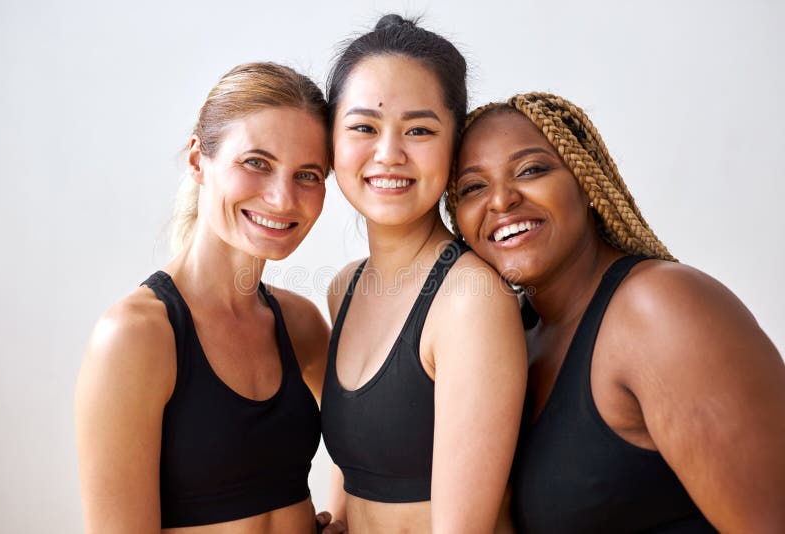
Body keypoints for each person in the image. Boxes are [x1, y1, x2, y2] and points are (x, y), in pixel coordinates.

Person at [446, 92, 785, 533]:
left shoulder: (660, 308)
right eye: (473, 188)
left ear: (586, 181)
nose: (501, 201)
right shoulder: (511, 337)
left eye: (531, 170)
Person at [75, 62, 342, 533]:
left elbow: (359, 443)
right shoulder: (136, 336)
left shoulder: (300, 323)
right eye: (256, 163)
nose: (283, 198)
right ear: (198, 160)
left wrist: (343, 517)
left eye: (308, 174)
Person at [320, 15, 527, 533]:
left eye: (419, 130)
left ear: (455, 145)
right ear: (331, 141)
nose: (389, 154)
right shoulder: (344, 289)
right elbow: (358, 469)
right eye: (364, 127)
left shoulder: (470, 301)